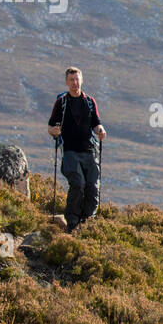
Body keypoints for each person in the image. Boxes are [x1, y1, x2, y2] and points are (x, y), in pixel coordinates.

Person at [47, 67, 107, 232]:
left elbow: (96, 122)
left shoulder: (89, 101)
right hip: (70, 151)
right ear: (67, 82)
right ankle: (72, 223)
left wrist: (100, 130)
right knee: (78, 184)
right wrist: (54, 131)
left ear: (82, 80)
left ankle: (88, 222)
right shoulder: (62, 103)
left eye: (77, 79)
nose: (75, 83)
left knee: (93, 187)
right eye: (71, 80)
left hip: (89, 150)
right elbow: (50, 126)